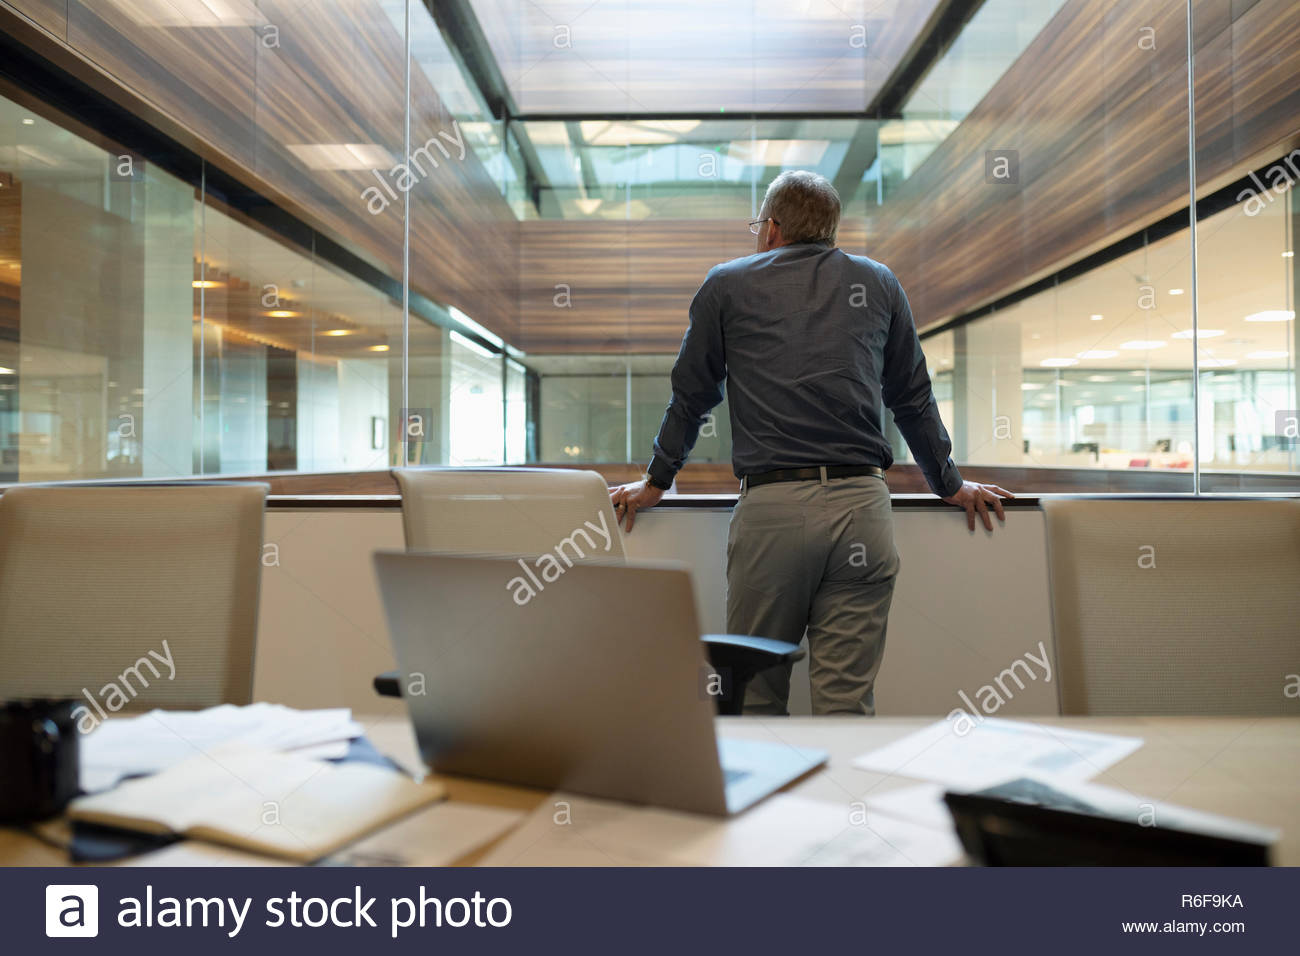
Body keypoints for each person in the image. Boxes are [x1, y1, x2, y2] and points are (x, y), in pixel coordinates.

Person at [609, 170, 1013, 715]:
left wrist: (658, 481)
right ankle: (843, 804)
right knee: (846, 703)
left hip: (773, 510)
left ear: (771, 228)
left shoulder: (726, 284)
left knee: (754, 696)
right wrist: (950, 484)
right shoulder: (878, 283)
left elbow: (692, 395)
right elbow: (912, 396)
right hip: (863, 509)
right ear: (831, 231)